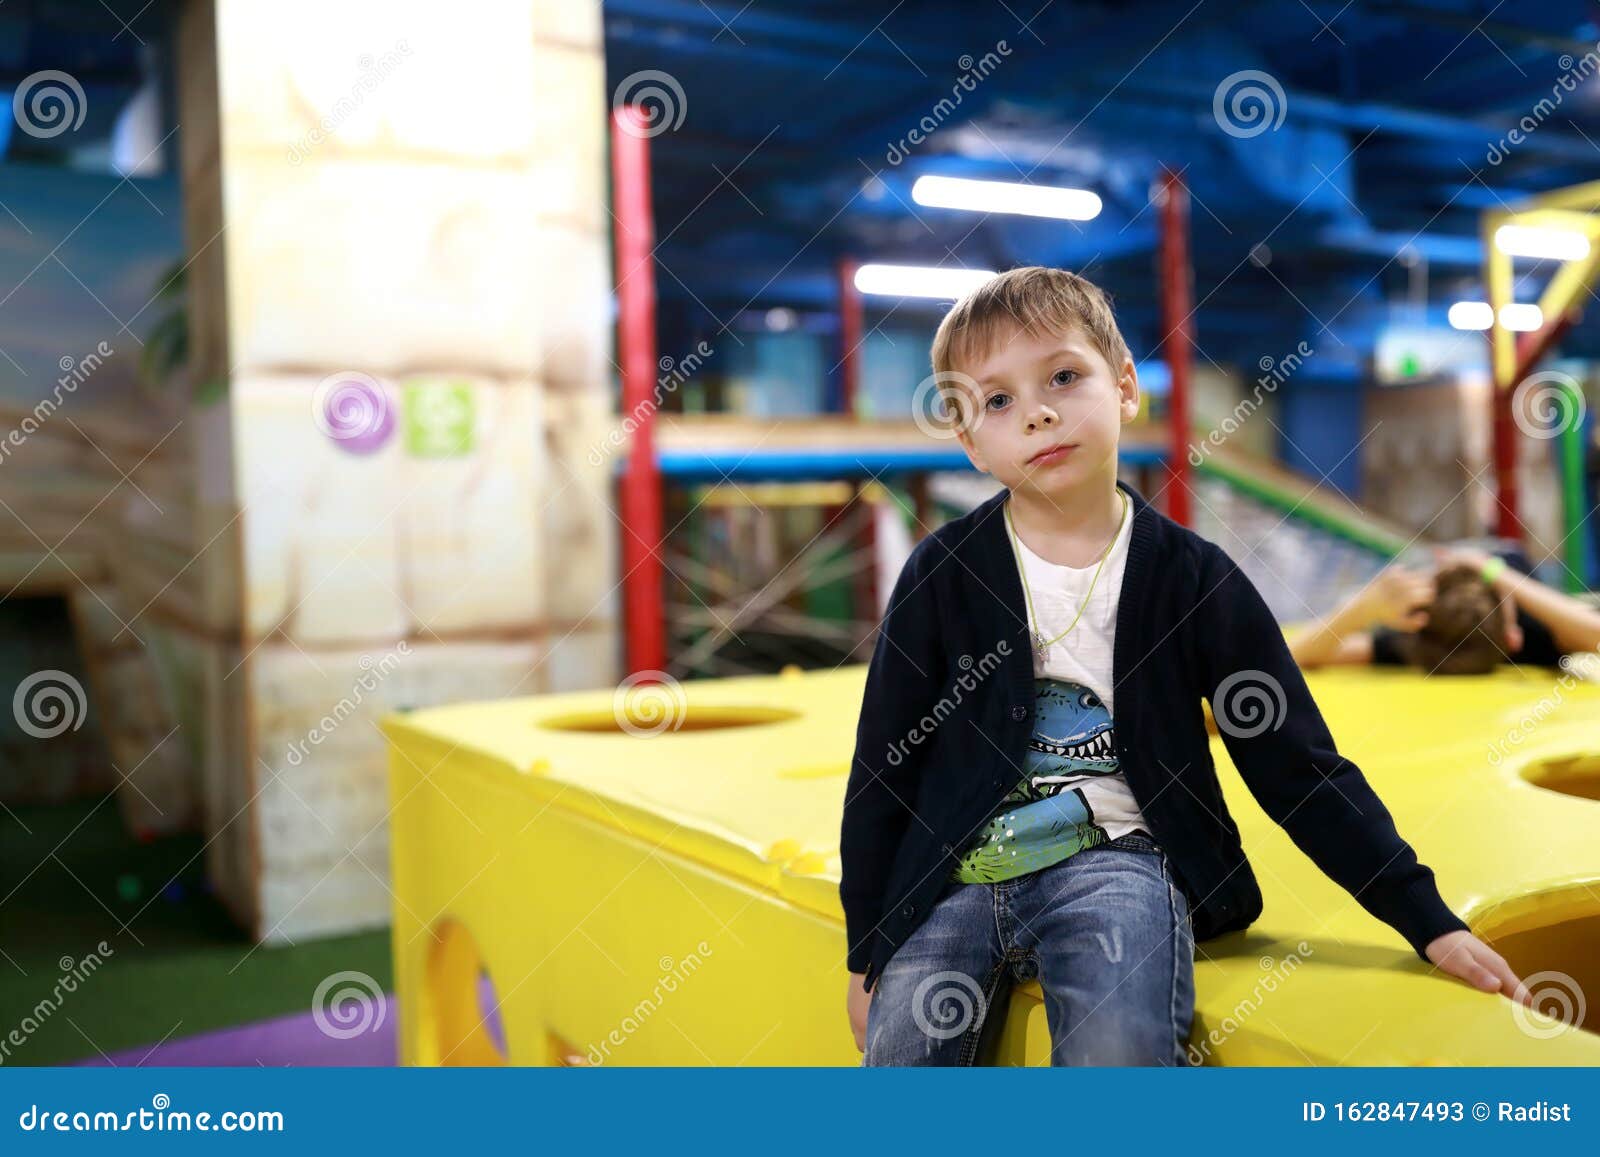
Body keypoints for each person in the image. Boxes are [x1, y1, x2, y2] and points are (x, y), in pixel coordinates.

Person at [839, 266, 1531, 1067]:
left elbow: (1298, 766)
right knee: (902, 1065)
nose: (1038, 412)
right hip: (954, 877)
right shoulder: (941, 573)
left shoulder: (1194, 579)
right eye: (998, 401)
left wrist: (1426, 916)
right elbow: (883, 764)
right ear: (970, 442)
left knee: (1121, 1055)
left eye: (1064, 375)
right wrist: (870, 945)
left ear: (1126, 384)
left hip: (1118, 871)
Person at [1288, 546, 1600, 675]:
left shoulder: (1534, 626)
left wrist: (1494, 572)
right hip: (1463, 582)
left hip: (1503, 572)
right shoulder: (1426, 633)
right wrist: (1364, 607)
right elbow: (1293, 656)